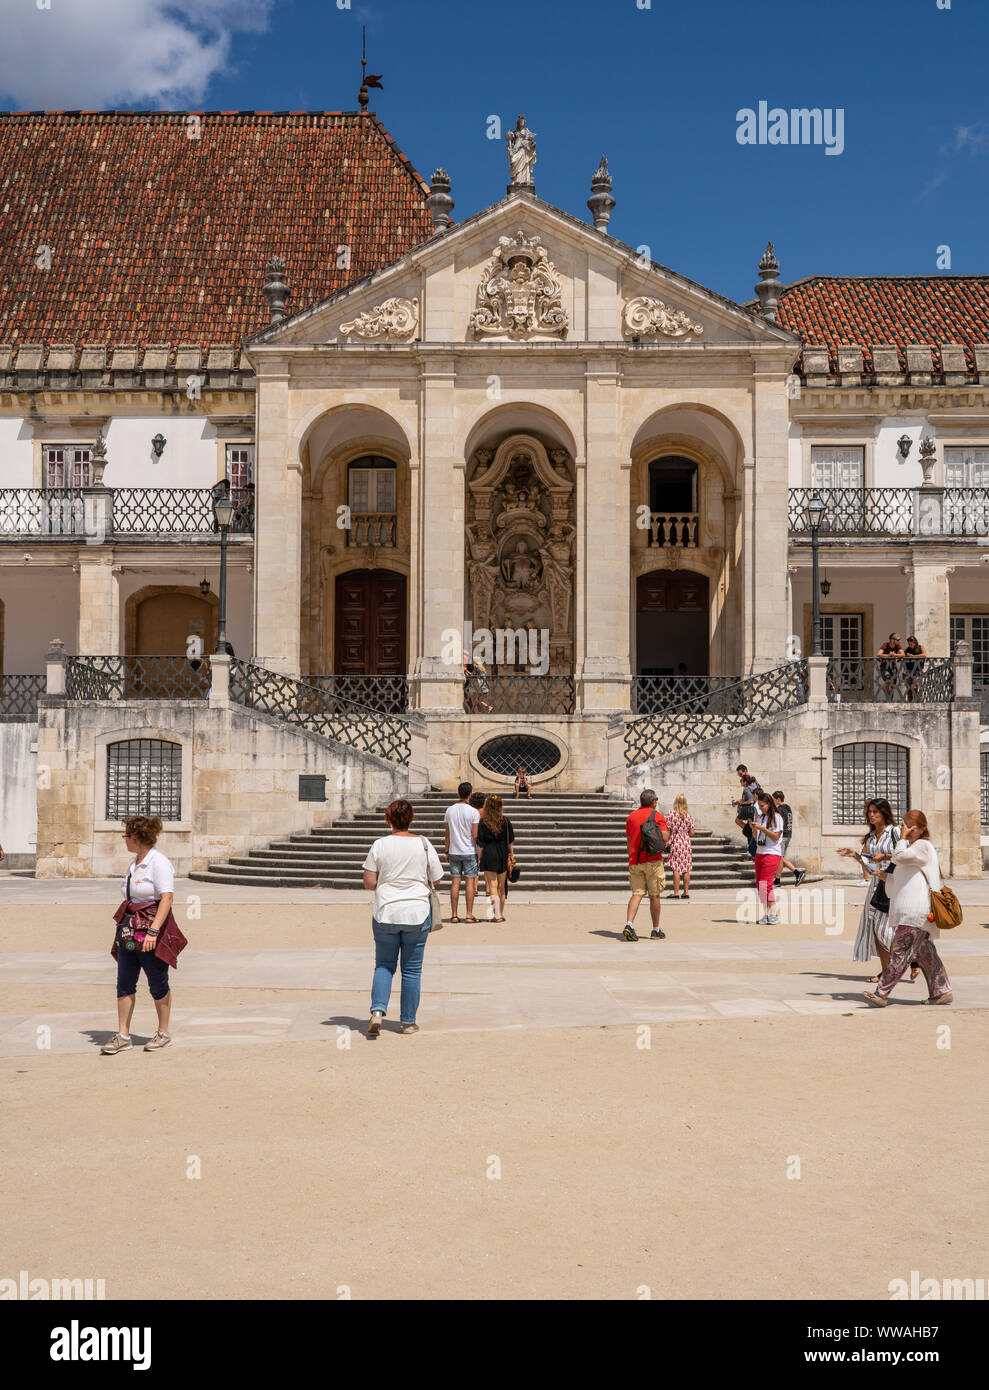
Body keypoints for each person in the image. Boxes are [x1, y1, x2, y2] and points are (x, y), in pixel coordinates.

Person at [362, 798, 443, 1036]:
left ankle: (377, 1011)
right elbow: (436, 879)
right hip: (417, 912)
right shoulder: (424, 844)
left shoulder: (380, 845)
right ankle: (408, 1022)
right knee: (412, 970)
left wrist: (388, 881)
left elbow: (369, 882)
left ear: (388, 819)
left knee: (384, 965)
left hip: (386, 910)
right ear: (411, 819)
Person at [101, 815, 180, 1054]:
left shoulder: (159, 863)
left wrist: (153, 932)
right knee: (124, 982)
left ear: (135, 838)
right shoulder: (135, 862)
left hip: (149, 928)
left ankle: (163, 1032)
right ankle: (123, 1034)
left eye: (126, 835)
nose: (124, 839)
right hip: (129, 929)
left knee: (157, 981)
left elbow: (166, 898)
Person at [863, 809, 953, 1007]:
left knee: (899, 951)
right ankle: (941, 991)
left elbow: (898, 858)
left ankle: (881, 993)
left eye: (911, 827)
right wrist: (881, 875)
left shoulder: (922, 846)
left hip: (915, 911)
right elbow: (903, 876)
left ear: (922, 829)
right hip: (914, 911)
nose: (907, 830)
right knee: (926, 954)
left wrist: (901, 838)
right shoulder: (912, 848)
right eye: (905, 825)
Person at [839, 799, 904, 983]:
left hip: (893, 884)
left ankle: (913, 959)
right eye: (869, 811)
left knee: (889, 930)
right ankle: (887, 972)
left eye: (875, 811)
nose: (871, 815)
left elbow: (907, 854)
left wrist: (885, 856)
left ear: (884, 813)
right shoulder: (871, 837)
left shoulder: (895, 832)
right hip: (875, 887)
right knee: (875, 930)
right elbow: (868, 865)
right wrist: (855, 856)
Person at [623, 789, 669, 941]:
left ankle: (629, 924)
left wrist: (632, 856)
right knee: (654, 896)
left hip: (635, 861)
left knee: (637, 894)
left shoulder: (631, 817)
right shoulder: (658, 816)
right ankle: (655, 930)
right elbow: (664, 837)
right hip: (653, 860)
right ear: (654, 802)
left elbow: (629, 842)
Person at [444, 781, 480, 923]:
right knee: (470, 883)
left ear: (459, 793)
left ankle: (454, 914)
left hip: (454, 850)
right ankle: (469, 914)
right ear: (470, 794)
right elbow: (475, 835)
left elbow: (447, 834)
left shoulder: (449, 810)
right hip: (469, 850)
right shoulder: (473, 812)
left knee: (455, 883)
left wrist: (446, 850)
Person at [477, 794, 514, 922]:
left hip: (489, 853)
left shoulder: (483, 822)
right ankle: (500, 914)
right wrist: (511, 855)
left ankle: (496, 915)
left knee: (492, 886)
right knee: (501, 887)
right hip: (503, 853)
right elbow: (510, 842)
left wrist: (479, 858)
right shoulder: (506, 821)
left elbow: (480, 843)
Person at [751, 789, 784, 925]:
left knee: (766, 884)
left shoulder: (777, 817)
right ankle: (766, 914)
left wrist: (762, 829)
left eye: (762, 806)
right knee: (760, 886)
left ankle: (774, 913)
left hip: (772, 853)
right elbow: (756, 837)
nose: (760, 808)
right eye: (759, 806)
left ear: (769, 804)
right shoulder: (762, 817)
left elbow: (776, 836)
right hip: (760, 852)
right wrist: (754, 828)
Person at [772, 791, 806, 886]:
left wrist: (776, 834)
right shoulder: (787, 808)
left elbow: (782, 823)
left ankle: (797, 873)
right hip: (788, 835)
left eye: (773, 799)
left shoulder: (780, 809)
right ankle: (778, 880)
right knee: (780, 858)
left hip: (782, 836)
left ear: (778, 799)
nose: (773, 801)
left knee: (779, 857)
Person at [665, 793, 694, 900]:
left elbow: (668, 830)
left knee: (676, 868)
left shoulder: (671, 814)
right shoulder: (688, 816)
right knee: (686, 869)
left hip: (676, 842)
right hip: (686, 843)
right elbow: (692, 832)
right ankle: (686, 892)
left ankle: (676, 892)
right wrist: (684, 831)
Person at [876, 632, 904, 698]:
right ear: (892, 640)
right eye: (897, 640)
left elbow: (903, 654)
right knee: (888, 681)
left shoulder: (898, 646)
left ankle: (890, 699)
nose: (899, 641)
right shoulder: (885, 645)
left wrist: (895, 655)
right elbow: (878, 654)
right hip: (884, 667)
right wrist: (888, 655)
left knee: (893, 684)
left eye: (899, 639)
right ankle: (888, 699)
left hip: (893, 667)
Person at [902, 635, 927, 701]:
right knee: (909, 687)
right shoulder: (907, 649)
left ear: (915, 642)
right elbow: (902, 654)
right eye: (909, 644)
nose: (910, 645)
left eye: (911, 644)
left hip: (917, 670)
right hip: (908, 669)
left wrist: (913, 656)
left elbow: (924, 654)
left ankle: (916, 700)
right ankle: (910, 701)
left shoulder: (920, 647)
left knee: (916, 685)